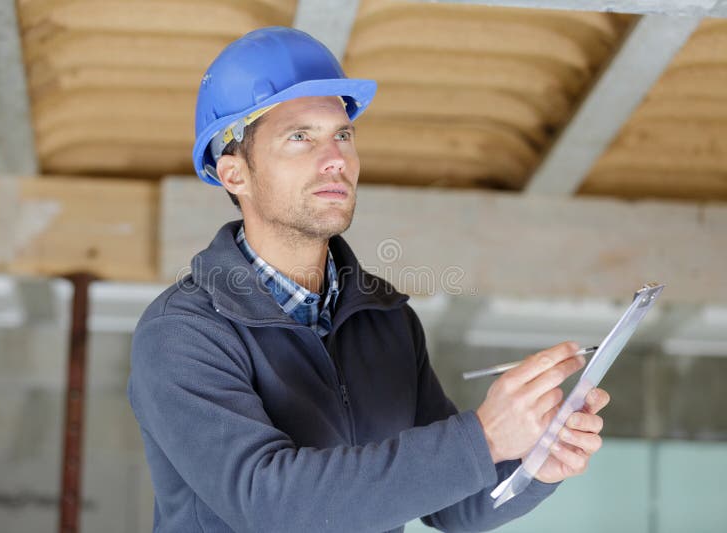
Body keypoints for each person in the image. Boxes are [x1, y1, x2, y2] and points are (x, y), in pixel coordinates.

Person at [128, 26, 610, 533]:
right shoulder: (184, 332)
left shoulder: (385, 319)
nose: (336, 158)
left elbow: (452, 504)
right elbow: (271, 502)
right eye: (300, 138)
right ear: (234, 175)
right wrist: (484, 437)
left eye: (342, 134)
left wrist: (534, 465)